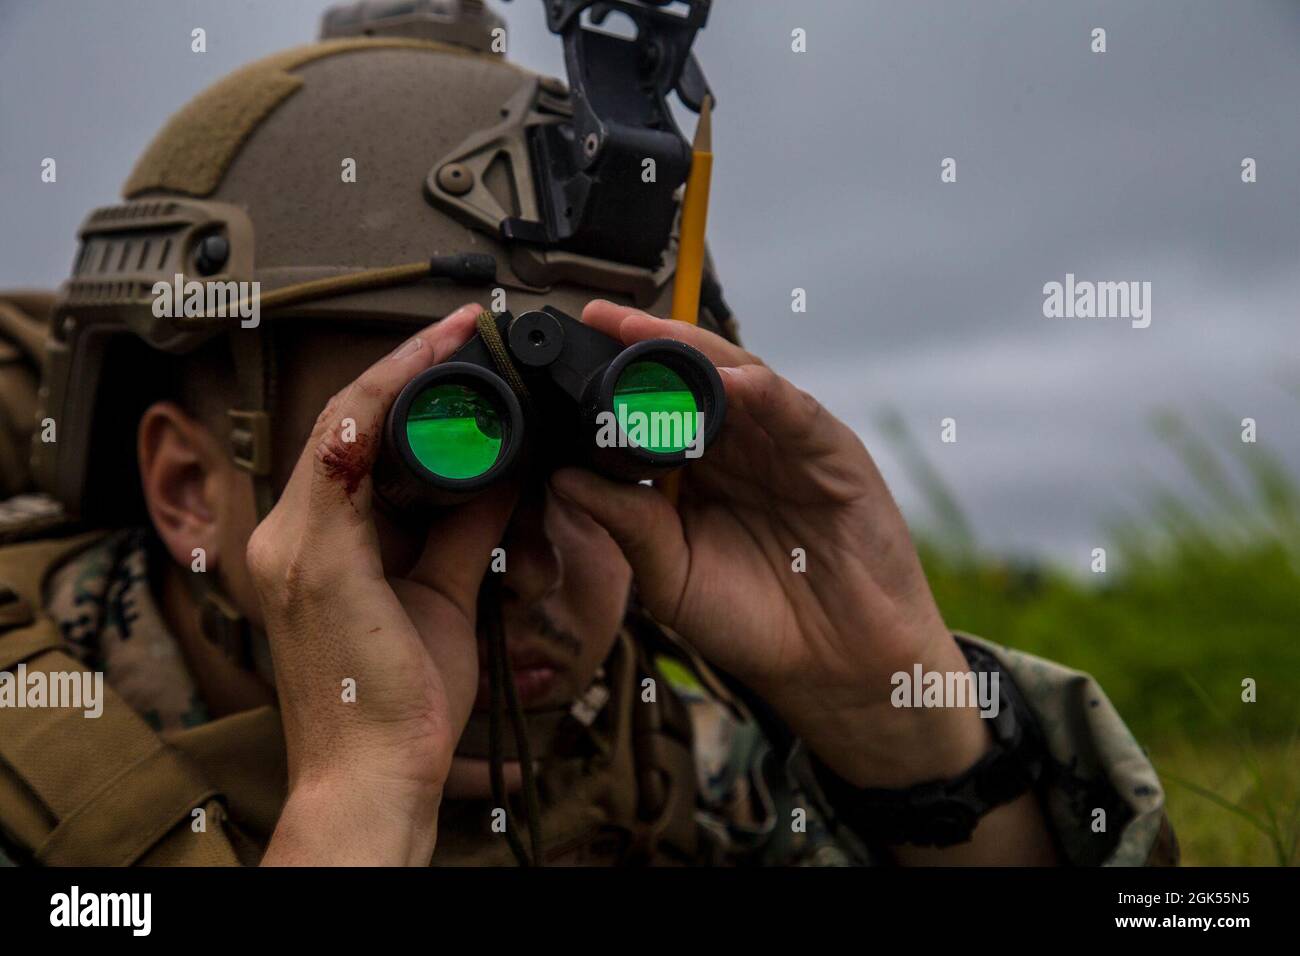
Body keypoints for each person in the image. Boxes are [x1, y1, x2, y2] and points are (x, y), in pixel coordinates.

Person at [0, 2, 1175, 867]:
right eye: (445, 446)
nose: (532, 566)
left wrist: (901, 731)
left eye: (602, 460)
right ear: (190, 489)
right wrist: (360, 804)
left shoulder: (670, 764)